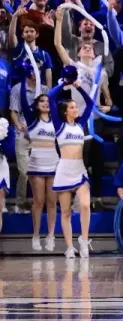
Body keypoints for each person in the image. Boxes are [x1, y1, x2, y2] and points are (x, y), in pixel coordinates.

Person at [49, 70, 98, 258]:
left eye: (76, 107)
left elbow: (91, 103)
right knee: (66, 211)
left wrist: (78, 87)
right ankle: (69, 247)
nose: (76, 109)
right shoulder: (59, 125)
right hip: (64, 170)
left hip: (79, 169)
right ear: (65, 111)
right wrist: (64, 83)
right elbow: (51, 97)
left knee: (85, 205)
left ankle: (84, 240)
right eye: (72, 107)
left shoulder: (81, 124)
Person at [12, 61, 57, 251]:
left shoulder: (56, 119)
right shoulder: (31, 120)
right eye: (42, 102)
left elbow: (54, 95)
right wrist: (24, 79)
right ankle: (36, 235)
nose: (46, 104)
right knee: (38, 201)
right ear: (37, 105)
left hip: (54, 164)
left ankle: (51, 235)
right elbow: (22, 99)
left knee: (52, 202)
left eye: (48, 101)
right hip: (37, 165)